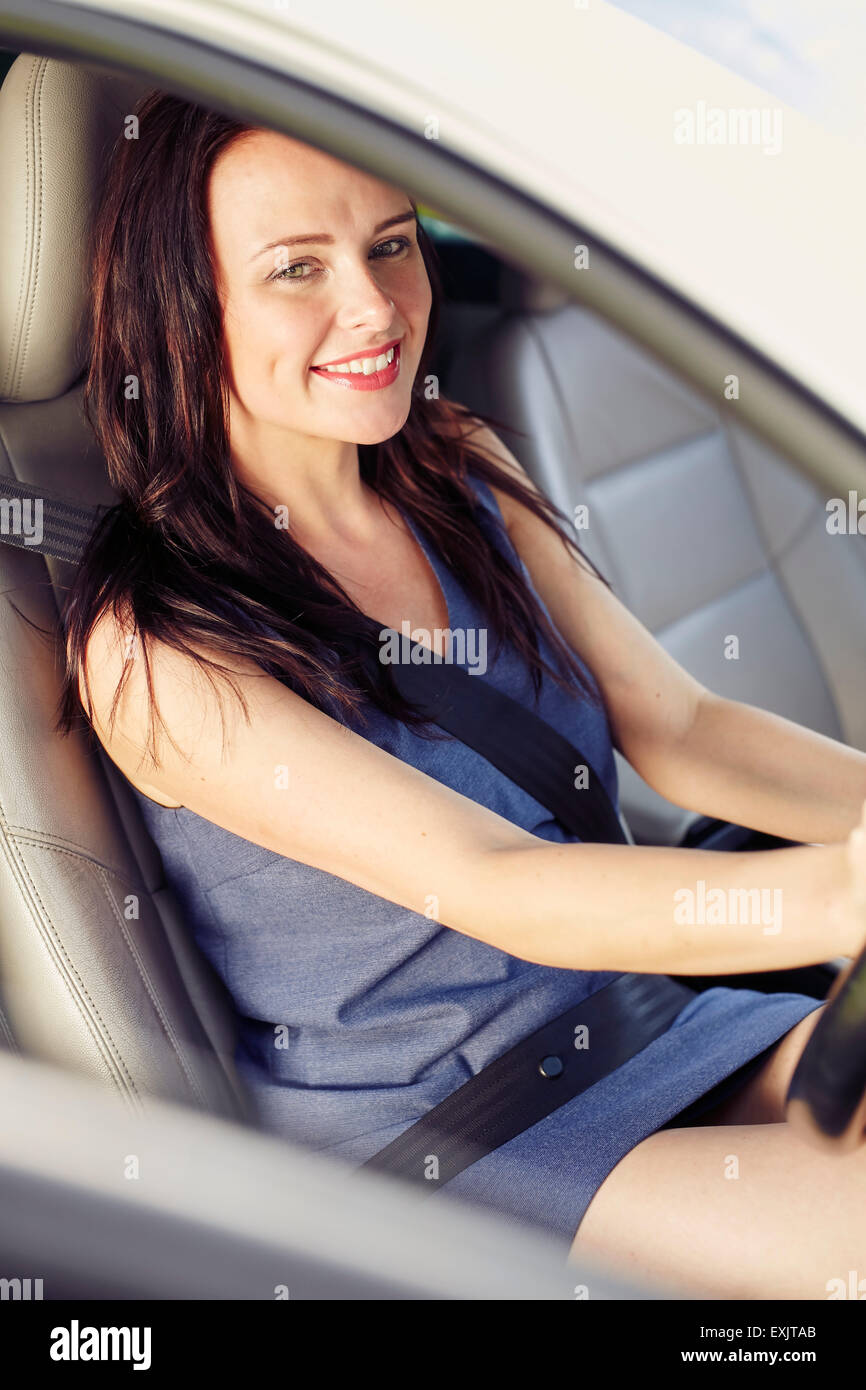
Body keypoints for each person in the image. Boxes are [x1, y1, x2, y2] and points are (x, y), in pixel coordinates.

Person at [56, 91, 866, 1301]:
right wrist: (836, 893)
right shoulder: (155, 641)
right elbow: (497, 887)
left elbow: (679, 726)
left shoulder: (455, 465)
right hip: (456, 1146)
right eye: (295, 269)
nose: (375, 306)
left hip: (631, 1023)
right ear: (184, 308)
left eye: (391, 242)